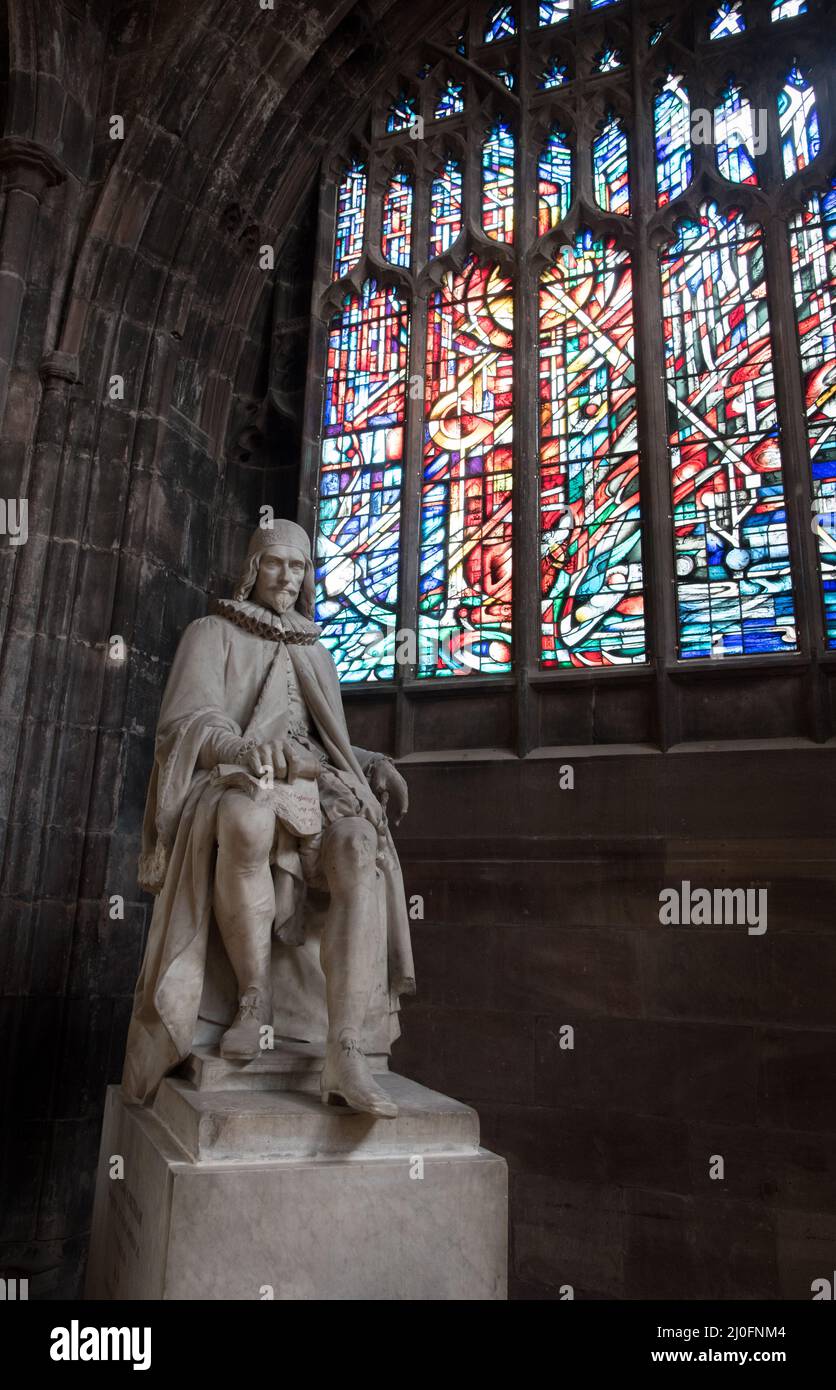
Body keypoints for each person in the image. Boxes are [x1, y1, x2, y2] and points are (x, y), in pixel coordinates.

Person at [122, 519, 415, 1118]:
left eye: (299, 566)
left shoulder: (316, 649)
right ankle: (253, 1000)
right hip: (239, 780)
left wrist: (372, 761)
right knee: (247, 823)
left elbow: (324, 741)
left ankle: (346, 1047)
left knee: (361, 844)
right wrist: (237, 750)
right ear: (254, 568)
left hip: (316, 787)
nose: (287, 576)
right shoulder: (212, 632)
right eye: (276, 563)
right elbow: (186, 725)